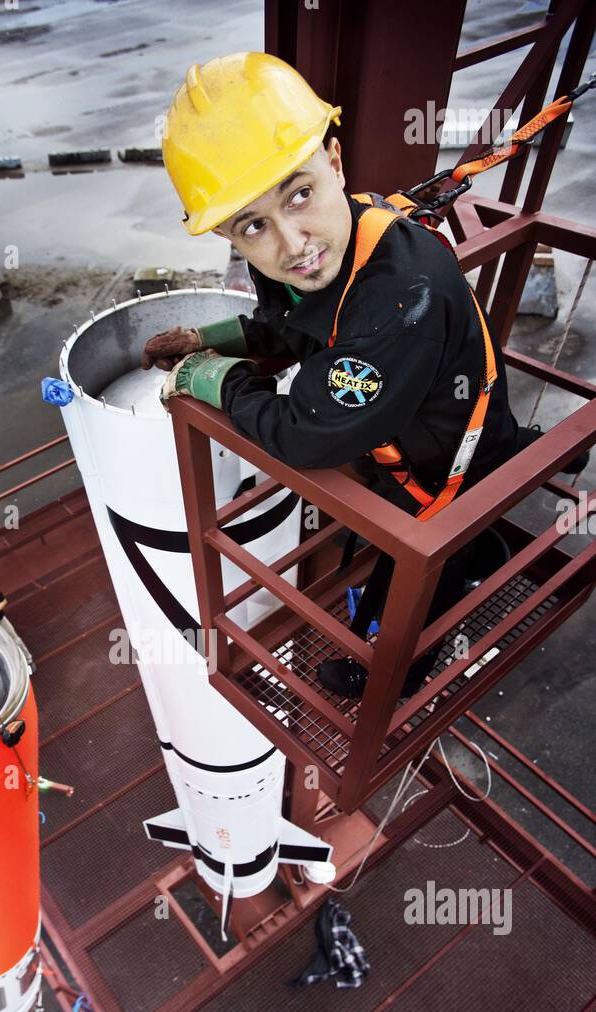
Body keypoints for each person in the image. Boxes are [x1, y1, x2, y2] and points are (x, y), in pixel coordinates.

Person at [141, 52, 537, 700]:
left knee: (416, 583)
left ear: (334, 160)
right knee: (442, 543)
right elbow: (301, 322)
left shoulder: (397, 307)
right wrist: (210, 339)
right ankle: (478, 554)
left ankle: (393, 674)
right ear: (234, 234)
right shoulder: (336, 241)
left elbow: (305, 434)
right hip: (423, 435)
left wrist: (212, 380)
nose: (293, 242)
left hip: (444, 466)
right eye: (253, 225)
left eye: (299, 193)